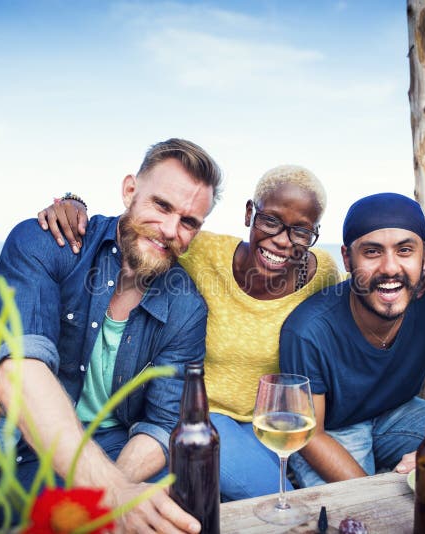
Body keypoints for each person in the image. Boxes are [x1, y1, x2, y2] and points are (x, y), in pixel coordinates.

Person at [38, 164, 344, 500]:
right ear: (249, 214)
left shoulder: (322, 272)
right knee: (271, 497)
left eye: (300, 231)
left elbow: (341, 324)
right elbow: (140, 228)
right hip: (199, 415)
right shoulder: (202, 252)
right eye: (270, 221)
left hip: (265, 424)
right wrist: (72, 203)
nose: (283, 241)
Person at [0, 138, 222, 532]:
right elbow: (17, 378)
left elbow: (162, 423)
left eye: (189, 222)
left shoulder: (187, 306)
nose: (169, 230)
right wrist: (111, 493)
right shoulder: (47, 242)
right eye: (161, 206)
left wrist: (114, 490)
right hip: (24, 451)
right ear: (130, 190)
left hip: (119, 452)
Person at [279, 193, 425, 487]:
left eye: (405, 251)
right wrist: (371, 499)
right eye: (372, 252)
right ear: (347, 258)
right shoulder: (307, 330)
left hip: (397, 414)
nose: (389, 267)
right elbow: (310, 434)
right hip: (331, 431)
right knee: (358, 517)